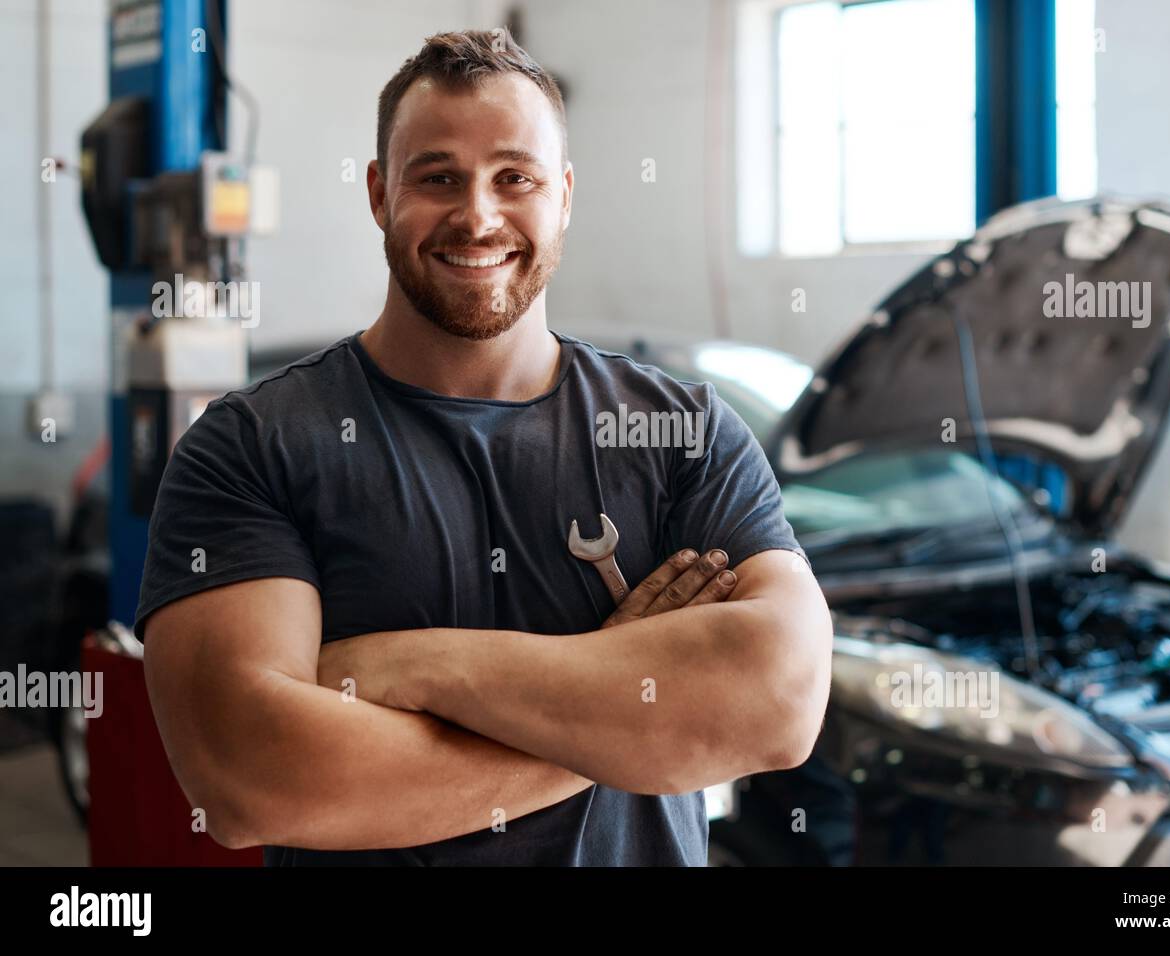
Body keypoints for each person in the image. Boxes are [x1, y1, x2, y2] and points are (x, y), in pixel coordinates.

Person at [139, 29, 831, 866]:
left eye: (516, 177)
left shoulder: (684, 435)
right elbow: (249, 780)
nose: (477, 214)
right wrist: (632, 719)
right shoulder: (250, 448)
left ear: (564, 195)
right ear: (377, 194)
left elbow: (781, 707)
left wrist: (413, 668)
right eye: (438, 177)